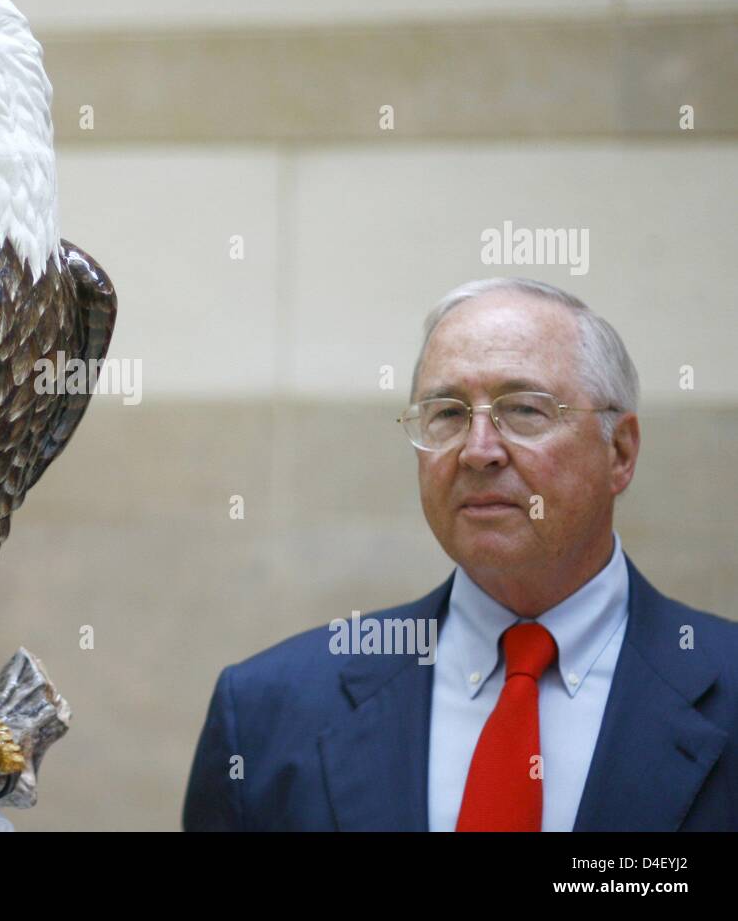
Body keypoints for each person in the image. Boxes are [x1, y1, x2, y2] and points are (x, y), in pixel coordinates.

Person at [182, 278, 738, 831]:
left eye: (523, 409)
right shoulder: (267, 712)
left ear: (619, 451)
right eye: (446, 414)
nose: (477, 451)